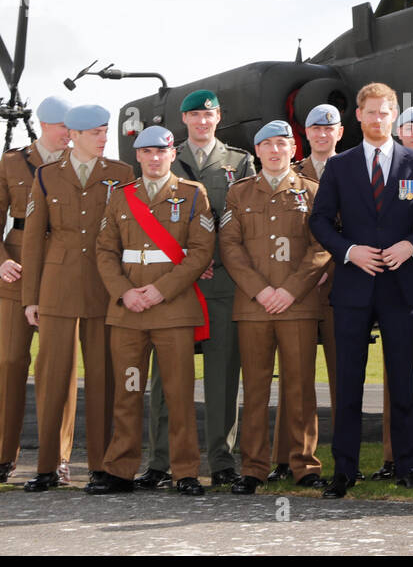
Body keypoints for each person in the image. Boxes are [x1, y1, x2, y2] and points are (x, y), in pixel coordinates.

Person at [308, 82, 413, 498]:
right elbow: (318, 221)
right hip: (352, 286)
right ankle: (344, 471)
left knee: (404, 382)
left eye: (383, 113)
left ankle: (409, 465)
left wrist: (412, 245)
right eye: (369, 113)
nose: (376, 120)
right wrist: (349, 252)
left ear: (394, 116)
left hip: (400, 287)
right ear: (358, 117)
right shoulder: (340, 165)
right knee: (347, 383)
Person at [136, 89, 254, 490]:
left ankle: (222, 460)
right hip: (174, 285)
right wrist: (186, 267)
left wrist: (209, 262)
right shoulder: (165, 157)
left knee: (223, 377)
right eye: (194, 115)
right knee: (167, 379)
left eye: (209, 114)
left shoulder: (240, 163)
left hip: (222, 282)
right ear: (183, 120)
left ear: (219, 117)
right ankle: (160, 462)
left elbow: (244, 224)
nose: (202, 121)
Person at [90, 125, 214, 496]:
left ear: (172, 155)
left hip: (172, 310)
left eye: (161, 152)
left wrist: (160, 291)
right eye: (147, 152)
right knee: (128, 390)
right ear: (138, 156)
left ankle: (185, 471)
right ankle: (120, 470)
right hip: (129, 313)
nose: (154, 158)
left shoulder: (193, 195)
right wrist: (125, 293)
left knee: (178, 394)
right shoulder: (120, 197)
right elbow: (105, 251)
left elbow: (201, 251)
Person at [20, 103, 134, 491]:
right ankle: (48, 466)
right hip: (58, 288)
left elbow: (128, 234)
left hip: (105, 287)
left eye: (106, 131)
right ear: (76, 136)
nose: (105, 139)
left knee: (104, 379)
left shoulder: (121, 175)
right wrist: (30, 297)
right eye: (98, 133)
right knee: (53, 378)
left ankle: (102, 466)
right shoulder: (48, 176)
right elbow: (34, 240)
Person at [220, 120, 331, 494]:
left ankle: (304, 465)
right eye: (266, 144)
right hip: (254, 306)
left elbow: (322, 246)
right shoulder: (238, 193)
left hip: (296, 306)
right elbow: (230, 247)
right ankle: (253, 468)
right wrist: (261, 291)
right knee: (254, 388)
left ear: (292, 149)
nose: (274, 150)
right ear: (257, 151)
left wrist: (291, 291)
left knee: (300, 387)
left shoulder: (312, 192)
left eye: (281, 143)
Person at [0, 95, 78, 485]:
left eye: (72, 128)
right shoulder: (12, 163)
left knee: (60, 368)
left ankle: (59, 458)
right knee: (10, 364)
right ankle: (5, 457)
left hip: (63, 270)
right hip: (16, 271)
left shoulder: (79, 164)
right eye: (62, 127)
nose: (69, 135)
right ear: (45, 125)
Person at [268, 102, 343, 482]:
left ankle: (346, 459)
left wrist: (326, 270)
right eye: (315, 128)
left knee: (341, 377)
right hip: (298, 289)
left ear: (339, 133)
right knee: (294, 376)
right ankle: (287, 456)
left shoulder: (353, 171)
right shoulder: (292, 175)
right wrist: (304, 277)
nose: (322, 134)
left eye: (329, 129)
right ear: (306, 134)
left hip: (340, 289)